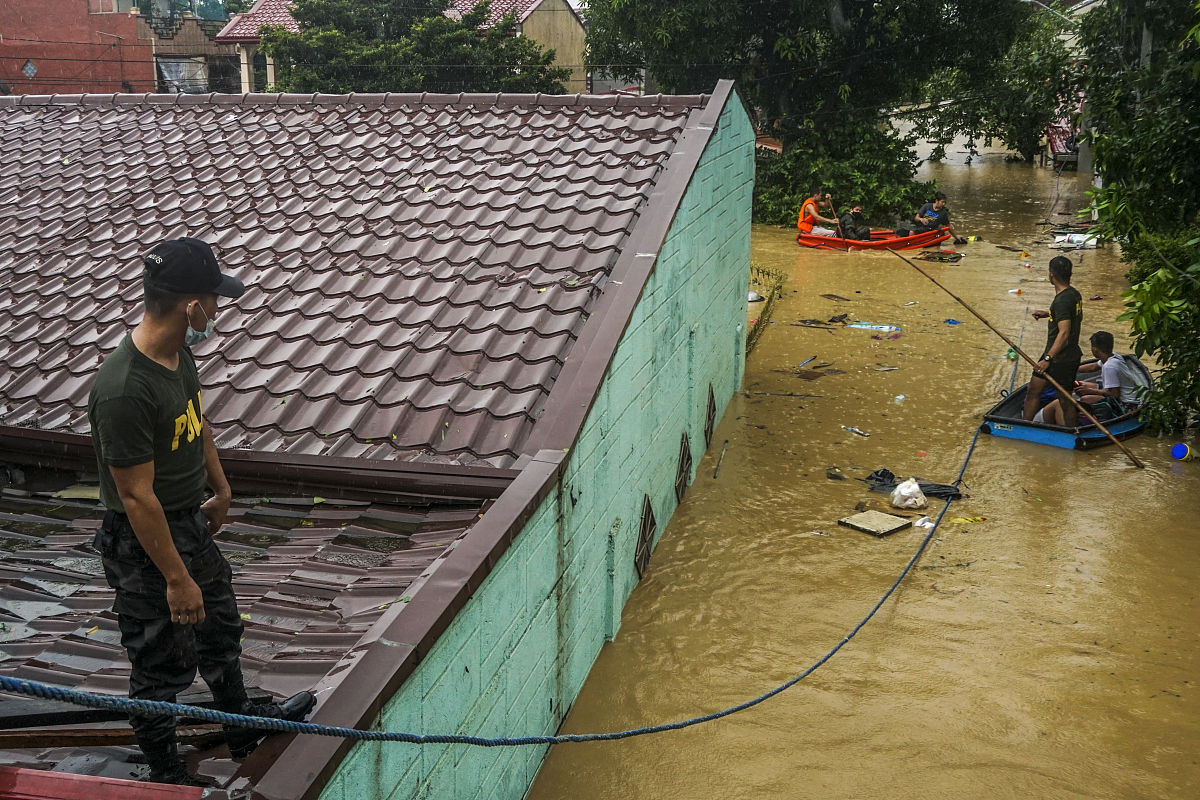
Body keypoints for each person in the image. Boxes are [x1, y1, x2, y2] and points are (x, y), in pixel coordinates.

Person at [87, 238, 315, 786]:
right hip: (144, 543)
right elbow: (136, 496)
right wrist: (175, 578)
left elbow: (197, 422)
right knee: (160, 661)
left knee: (220, 627)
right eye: (213, 301)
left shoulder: (177, 356)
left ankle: (240, 726)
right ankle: (168, 774)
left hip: (188, 522)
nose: (216, 311)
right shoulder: (124, 389)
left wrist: (222, 487)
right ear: (191, 307)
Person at [1022, 255, 1083, 423]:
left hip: (1061, 358)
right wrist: (1048, 314)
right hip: (1055, 354)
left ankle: (1070, 431)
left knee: (1065, 400)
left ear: (1051, 275)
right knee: (1033, 390)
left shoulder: (1061, 301)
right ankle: (1025, 425)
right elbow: (1071, 317)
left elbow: (1064, 333)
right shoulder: (1073, 294)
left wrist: (1048, 359)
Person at [1040, 330, 1140, 426]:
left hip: (1126, 404)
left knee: (1085, 399)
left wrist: (1090, 391)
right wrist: (1069, 369)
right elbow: (1092, 367)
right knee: (1083, 384)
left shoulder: (1109, 367)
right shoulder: (1113, 356)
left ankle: (1082, 419)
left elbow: (1114, 394)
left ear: (1095, 349)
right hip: (1125, 395)